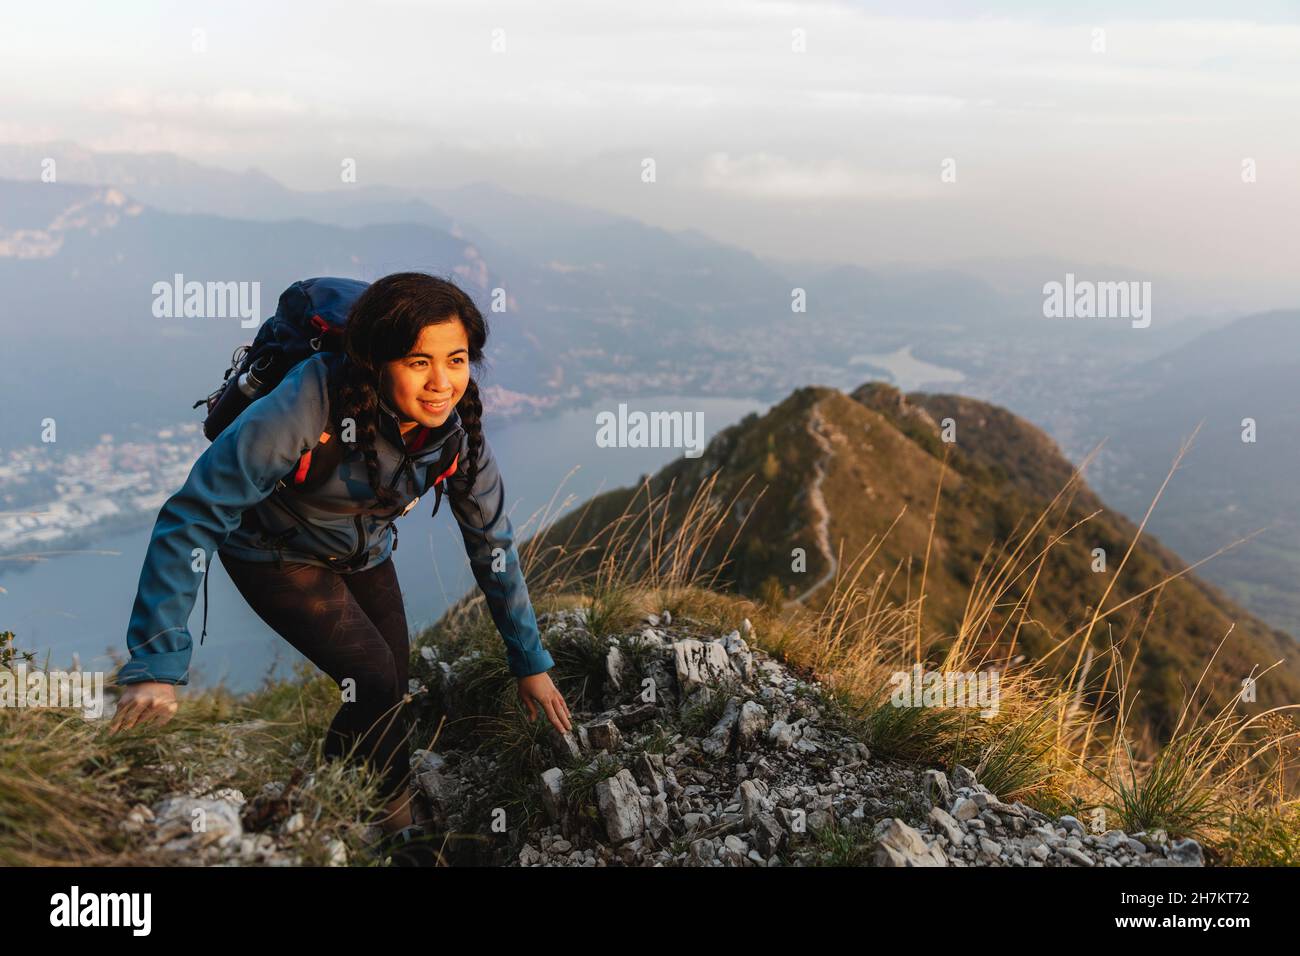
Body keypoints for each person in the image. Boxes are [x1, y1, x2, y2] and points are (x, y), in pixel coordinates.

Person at [107, 271, 572, 856]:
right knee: (375, 679)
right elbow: (192, 517)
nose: (441, 382)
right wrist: (156, 665)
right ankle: (395, 823)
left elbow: (493, 542)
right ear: (376, 359)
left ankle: (329, 790)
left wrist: (528, 658)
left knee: (388, 685)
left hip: (363, 551)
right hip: (273, 554)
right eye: (417, 361)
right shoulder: (309, 401)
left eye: (456, 360)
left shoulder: (456, 428)